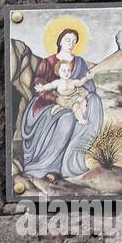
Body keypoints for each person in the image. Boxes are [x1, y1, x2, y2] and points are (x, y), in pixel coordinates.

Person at [20, 28, 104, 181]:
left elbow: (88, 84)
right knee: (67, 118)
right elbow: (39, 87)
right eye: (67, 40)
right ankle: (48, 167)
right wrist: (57, 99)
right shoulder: (48, 62)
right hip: (48, 103)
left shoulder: (79, 63)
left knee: (95, 102)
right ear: (59, 41)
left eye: (74, 41)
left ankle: (73, 161)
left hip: (74, 99)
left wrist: (84, 92)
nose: (71, 43)